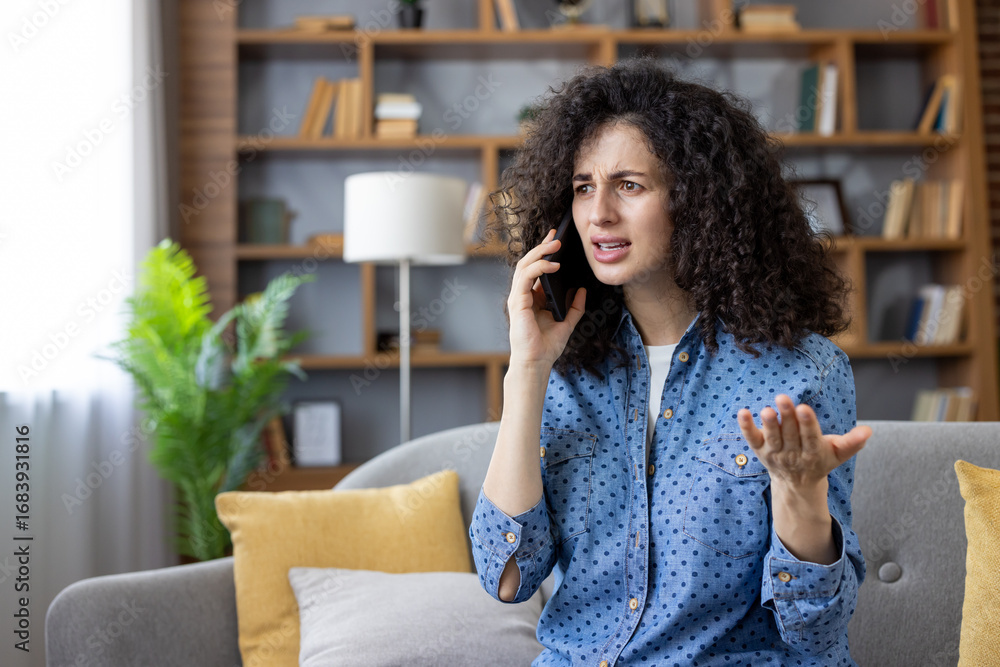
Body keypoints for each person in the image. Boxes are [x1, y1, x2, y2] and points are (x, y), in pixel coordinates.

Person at [469, 56, 872, 666]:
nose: (598, 213)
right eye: (583, 187)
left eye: (629, 185)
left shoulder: (802, 371)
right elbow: (507, 579)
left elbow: (815, 630)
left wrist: (799, 494)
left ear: (697, 200)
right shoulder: (565, 371)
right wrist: (527, 369)